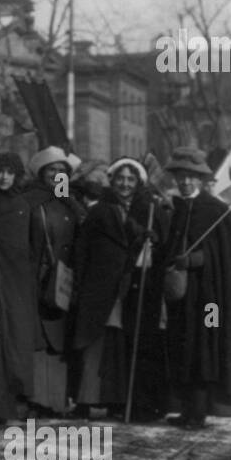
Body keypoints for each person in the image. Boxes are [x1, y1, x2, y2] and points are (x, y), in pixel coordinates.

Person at [69, 157, 168, 421]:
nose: (125, 184)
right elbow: (83, 249)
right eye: (120, 179)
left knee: (120, 344)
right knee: (96, 342)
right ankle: (87, 398)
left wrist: (150, 241)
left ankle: (117, 399)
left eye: (130, 179)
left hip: (130, 287)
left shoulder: (144, 208)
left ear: (138, 183)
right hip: (101, 285)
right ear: (111, 180)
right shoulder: (102, 209)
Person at [161, 147, 231, 429]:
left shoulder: (214, 211)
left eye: (191, 177)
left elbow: (224, 256)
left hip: (209, 298)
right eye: (180, 177)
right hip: (181, 295)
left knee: (204, 347)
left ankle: (199, 410)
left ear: (201, 179)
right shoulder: (176, 209)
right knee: (183, 345)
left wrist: (196, 259)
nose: (185, 183)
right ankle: (186, 408)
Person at [24, 146, 85, 417]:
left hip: (64, 279)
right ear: (41, 173)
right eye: (52, 170)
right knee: (40, 340)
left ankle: (57, 400)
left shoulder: (71, 204)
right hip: (37, 278)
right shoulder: (29, 201)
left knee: (60, 339)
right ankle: (37, 399)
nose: (58, 175)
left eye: (63, 171)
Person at [0, 151, 36, 422]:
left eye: (9, 172)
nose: (3, 177)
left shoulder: (23, 203)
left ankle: (20, 397)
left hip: (19, 277)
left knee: (18, 336)